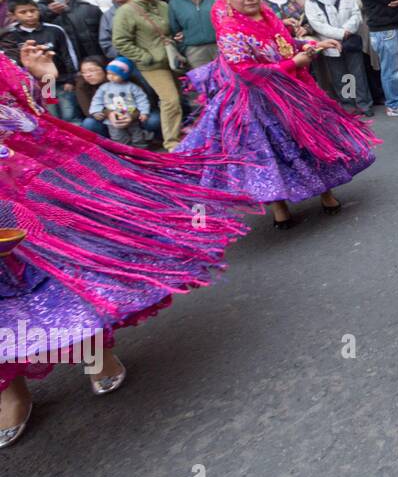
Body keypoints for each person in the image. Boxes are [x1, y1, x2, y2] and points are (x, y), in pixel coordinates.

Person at [0, 40, 249, 448]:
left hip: (17, 189)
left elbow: (31, 117)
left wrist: (42, 77)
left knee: (56, 273)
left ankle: (94, 354)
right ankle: (10, 391)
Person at [177, 0, 380, 227]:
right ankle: (279, 207)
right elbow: (245, 71)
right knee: (269, 151)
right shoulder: (229, 29)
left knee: (308, 141)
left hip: (291, 90)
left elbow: (280, 45)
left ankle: (326, 191)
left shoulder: (267, 15)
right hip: (254, 101)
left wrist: (308, 45)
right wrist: (293, 63)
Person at [109, 0, 183, 149]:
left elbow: (171, 29)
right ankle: (172, 143)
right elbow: (120, 41)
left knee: (178, 99)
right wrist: (145, 57)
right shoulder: (126, 11)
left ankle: (180, 134)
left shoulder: (164, 5)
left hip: (172, 59)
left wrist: (177, 36)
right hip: (151, 64)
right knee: (170, 100)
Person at [303, 0, 373, 117]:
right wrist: (340, 33)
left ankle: (364, 103)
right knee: (340, 76)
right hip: (329, 44)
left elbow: (356, 14)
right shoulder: (311, 2)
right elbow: (317, 25)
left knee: (357, 74)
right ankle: (349, 105)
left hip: (350, 40)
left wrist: (348, 29)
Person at [0, 0, 80, 120]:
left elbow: (68, 54)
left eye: (33, 10)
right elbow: (11, 63)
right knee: (52, 117)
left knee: (70, 115)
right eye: (23, 12)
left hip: (61, 81)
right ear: (13, 15)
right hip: (35, 86)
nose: (30, 15)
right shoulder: (9, 35)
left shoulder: (54, 30)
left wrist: (71, 79)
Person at [88, 57, 153, 146]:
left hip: (131, 115)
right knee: (118, 137)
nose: (110, 76)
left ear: (124, 75)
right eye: (109, 73)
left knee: (137, 135)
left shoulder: (132, 87)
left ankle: (141, 150)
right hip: (112, 120)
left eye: (114, 74)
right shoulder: (104, 87)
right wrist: (95, 111)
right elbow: (97, 100)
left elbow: (142, 99)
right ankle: (124, 152)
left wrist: (144, 112)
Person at [168, 0, 219, 69]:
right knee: (204, 82)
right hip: (195, 51)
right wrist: (185, 47)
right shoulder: (175, 2)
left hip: (221, 46)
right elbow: (175, 30)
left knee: (230, 81)